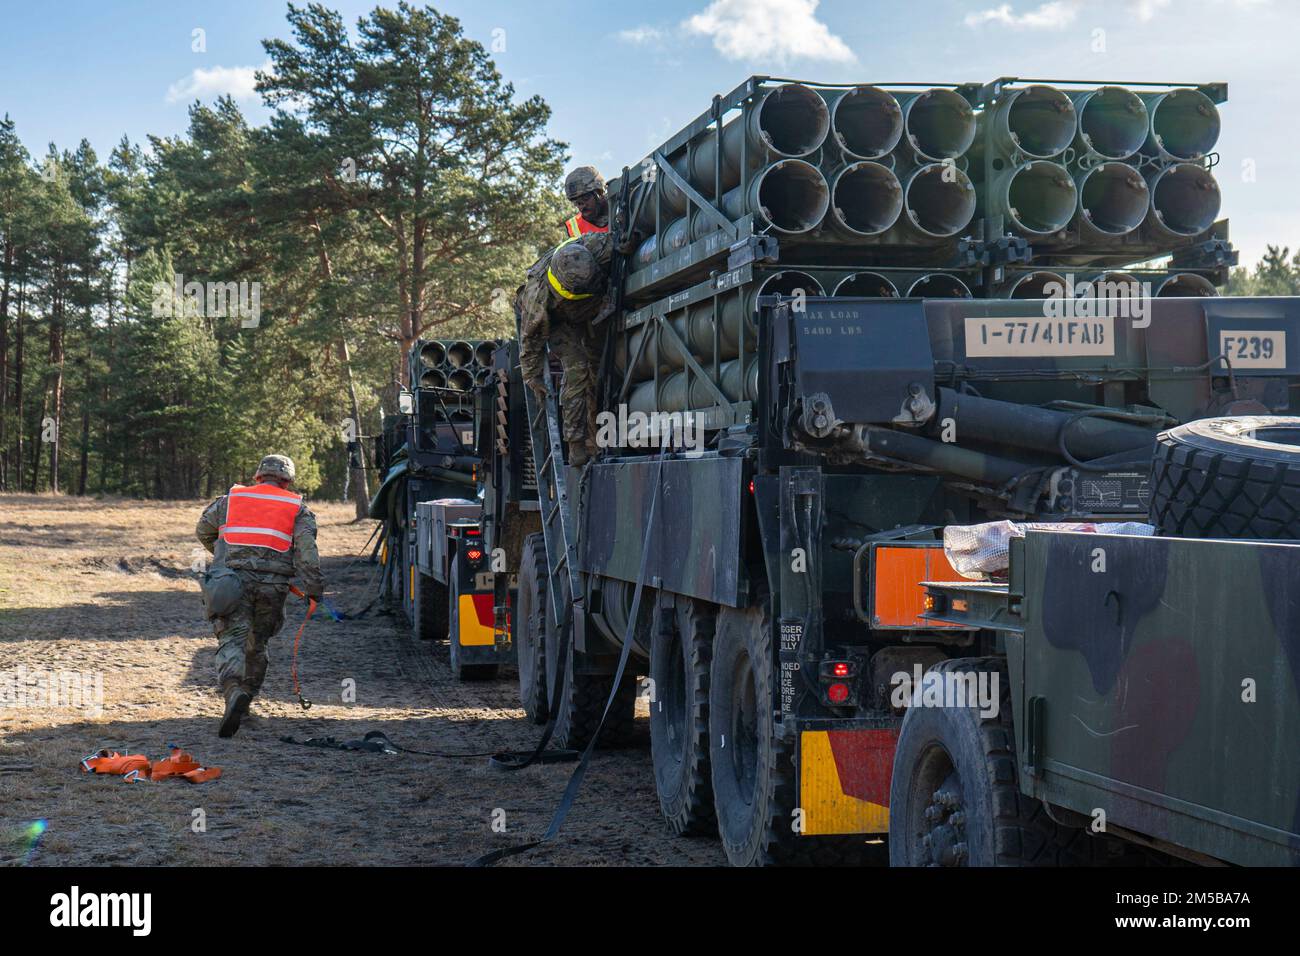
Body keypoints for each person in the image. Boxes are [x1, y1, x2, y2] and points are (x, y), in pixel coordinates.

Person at [196, 454, 324, 737]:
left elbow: (203, 529)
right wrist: (314, 590)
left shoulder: (231, 499)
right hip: (273, 588)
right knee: (258, 642)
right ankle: (247, 700)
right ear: (288, 481)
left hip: (231, 582)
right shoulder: (297, 507)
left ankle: (232, 691)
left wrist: (224, 555)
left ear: (257, 477)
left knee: (231, 638)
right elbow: (307, 554)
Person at [516, 231, 615, 467]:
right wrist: (533, 377)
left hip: (592, 312)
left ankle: (599, 439)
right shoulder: (536, 301)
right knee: (578, 371)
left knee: (600, 371)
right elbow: (529, 345)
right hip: (560, 323)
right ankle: (577, 445)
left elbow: (620, 243)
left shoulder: (598, 246)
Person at [563, 166, 609, 238]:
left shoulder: (623, 206)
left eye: (585, 198)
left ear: (600, 192)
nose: (582, 206)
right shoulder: (574, 227)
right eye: (577, 202)